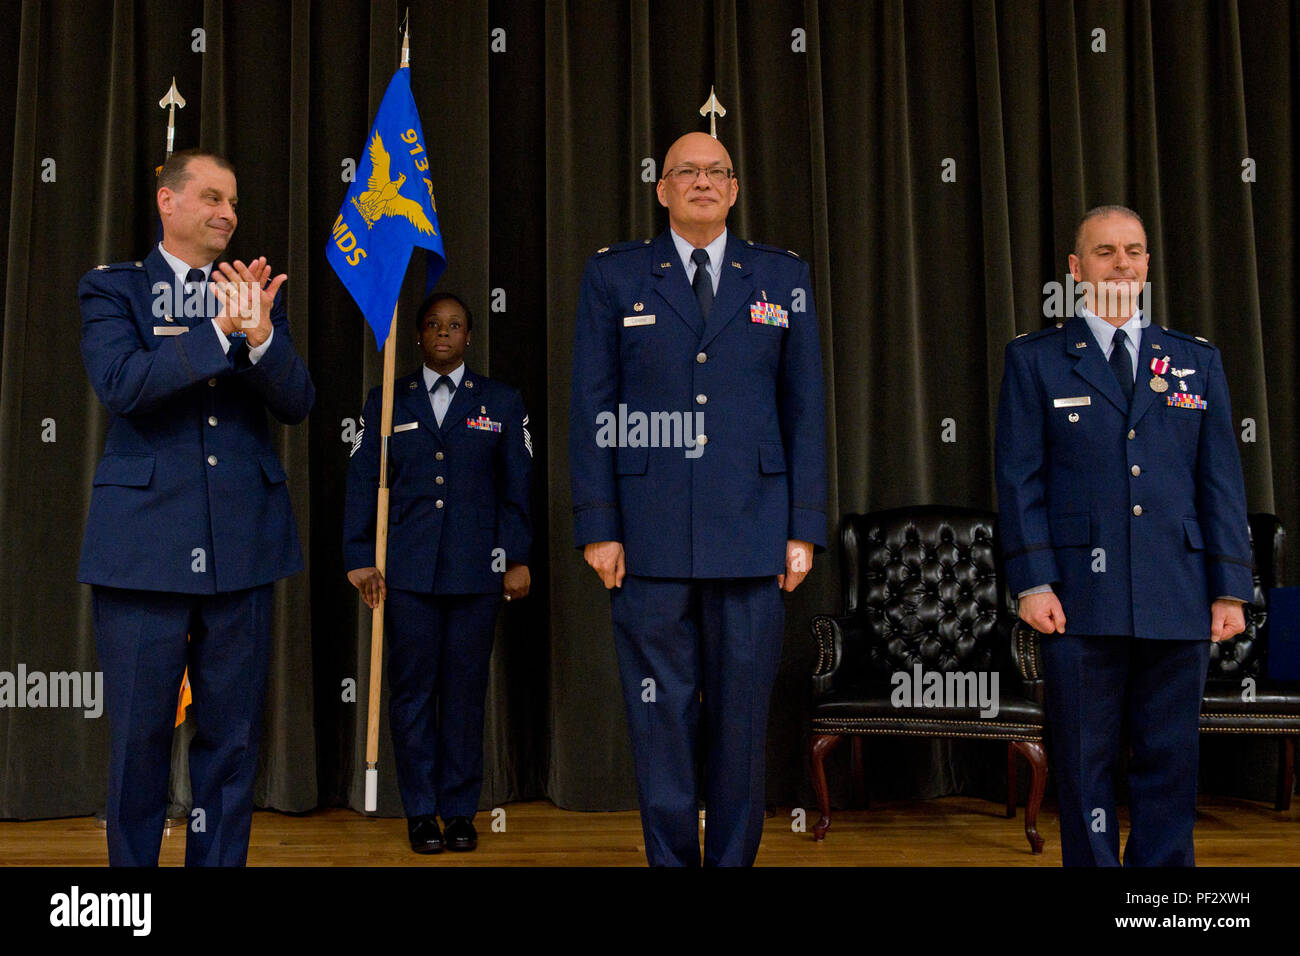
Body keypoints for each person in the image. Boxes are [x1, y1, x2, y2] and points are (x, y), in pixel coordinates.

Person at [568, 132, 827, 866]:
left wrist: (803, 526)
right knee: (662, 723)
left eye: (717, 172)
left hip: (754, 537)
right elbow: (593, 406)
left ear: (736, 190)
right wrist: (598, 524)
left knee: (742, 726)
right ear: (663, 188)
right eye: (688, 171)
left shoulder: (782, 278)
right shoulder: (616, 277)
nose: (703, 182)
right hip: (646, 542)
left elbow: (806, 409)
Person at [78, 148, 315, 866]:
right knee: (139, 739)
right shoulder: (112, 289)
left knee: (232, 741)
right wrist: (216, 334)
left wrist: (261, 335)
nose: (229, 214)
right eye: (213, 197)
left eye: (235, 202)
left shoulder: (248, 294)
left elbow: (299, 402)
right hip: (144, 551)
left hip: (240, 548)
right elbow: (124, 384)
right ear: (168, 203)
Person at [995, 205, 1252, 866]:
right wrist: (1031, 580)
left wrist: (1231, 587)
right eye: (1105, 252)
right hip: (1079, 598)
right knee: (1086, 761)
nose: (1123, 264)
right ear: (1077, 270)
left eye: (1134, 251)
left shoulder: (1196, 362)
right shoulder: (1036, 361)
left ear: (1146, 265)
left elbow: (1221, 480)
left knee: (1171, 756)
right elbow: (1019, 480)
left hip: (1179, 588)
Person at [344, 292, 532, 854]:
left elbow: (516, 489)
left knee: (465, 695)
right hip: (408, 576)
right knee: (413, 696)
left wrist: (517, 556)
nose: (443, 333)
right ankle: (421, 811)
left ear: (469, 337)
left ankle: (459, 810)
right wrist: (358, 556)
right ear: (419, 336)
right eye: (432, 325)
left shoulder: (500, 401)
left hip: (479, 573)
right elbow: (362, 485)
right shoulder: (386, 400)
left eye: (455, 325)